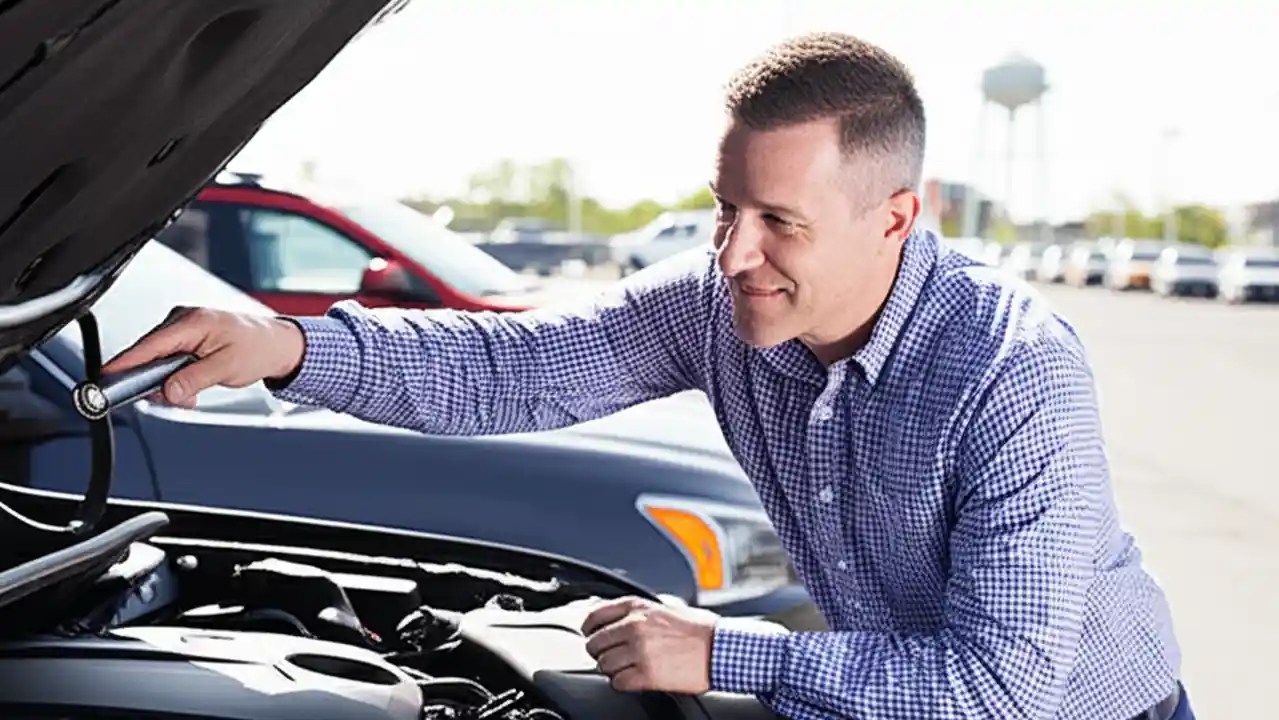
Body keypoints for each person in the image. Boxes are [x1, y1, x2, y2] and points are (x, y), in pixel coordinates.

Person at [105, 32, 1192, 720]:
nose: (732, 255)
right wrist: (289, 348)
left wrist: (734, 654)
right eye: (726, 210)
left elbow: (996, 692)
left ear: (897, 218)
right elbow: (516, 367)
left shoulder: (1009, 374)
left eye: (779, 223)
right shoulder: (721, 303)